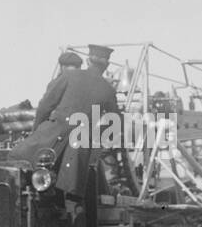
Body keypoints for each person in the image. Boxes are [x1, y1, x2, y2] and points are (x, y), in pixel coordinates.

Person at [11, 44, 120, 199]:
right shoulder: (108, 90)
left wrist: (36, 133)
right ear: (107, 65)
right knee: (72, 196)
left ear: (88, 61)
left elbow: (44, 107)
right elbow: (115, 124)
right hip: (79, 147)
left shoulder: (69, 76)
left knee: (16, 163)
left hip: (49, 138)